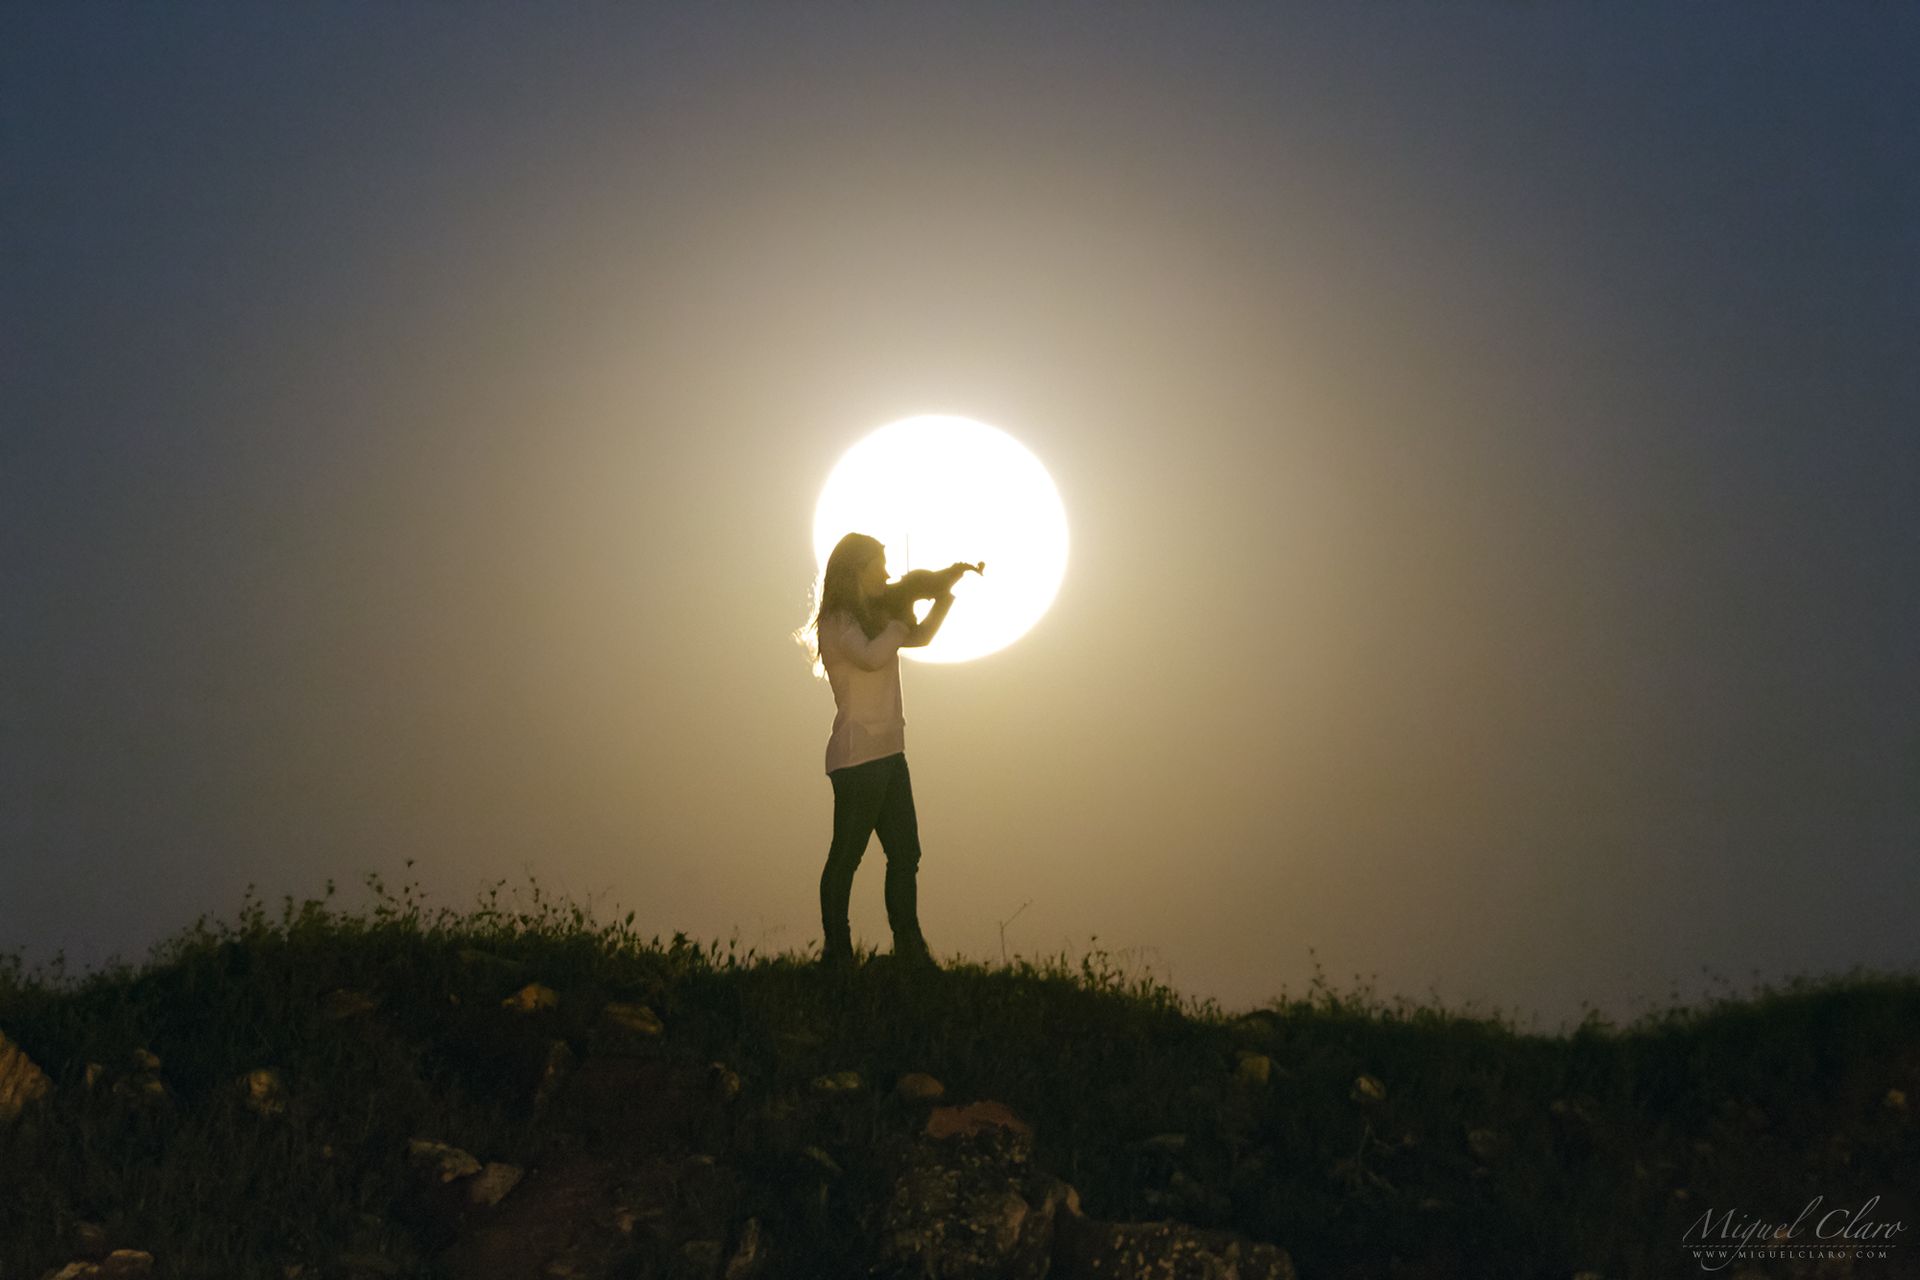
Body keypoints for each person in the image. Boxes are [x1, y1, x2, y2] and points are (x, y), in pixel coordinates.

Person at [802, 532, 961, 971]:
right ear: (858, 568)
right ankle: (838, 952)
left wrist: (943, 599)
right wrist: (897, 624)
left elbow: (922, 638)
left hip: (891, 752)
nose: (889, 575)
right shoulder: (839, 621)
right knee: (846, 856)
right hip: (858, 757)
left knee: (906, 853)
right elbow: (872, 658)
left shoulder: (873, 617)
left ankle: (910, 949)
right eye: (880, 564)